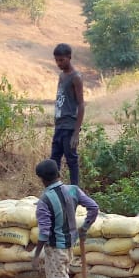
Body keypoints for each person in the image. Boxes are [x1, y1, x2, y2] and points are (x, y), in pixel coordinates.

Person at [31, 158, 99, 278]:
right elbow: (93, 207)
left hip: (55, 248)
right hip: (69, 245)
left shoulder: (44, 201)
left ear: (42, 180)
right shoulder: (73, 190)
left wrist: (36, 254)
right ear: (59, 174)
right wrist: (84, 228)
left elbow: (45, 233)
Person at [51, 43, 85, 186]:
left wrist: (76, 132)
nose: (59, 63)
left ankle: (74, 191)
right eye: (57, 60)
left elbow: (81, 104)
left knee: (71, 159)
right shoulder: (61, 76)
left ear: (69, 58)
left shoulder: (75, 77)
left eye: (62, 60)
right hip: (60, 124)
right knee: (54, 159)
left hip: (70, 125)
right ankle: (53, 189)